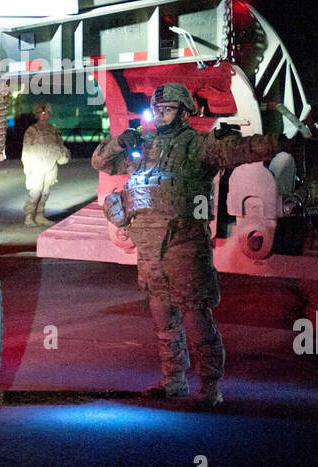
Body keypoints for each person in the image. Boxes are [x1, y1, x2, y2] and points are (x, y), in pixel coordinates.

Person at [92, 82, 281, 406]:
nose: (161, 114)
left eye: (168, 109)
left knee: (195, 314)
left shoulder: (198, 145)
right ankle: (173, 379)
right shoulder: (143, 146)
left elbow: (239, 150)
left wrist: (277, 143)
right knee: (161, 314)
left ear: (184, 112)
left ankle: (209, 386)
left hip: (184, 243)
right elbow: (101, 162)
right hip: (149, 247)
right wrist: (119, 142)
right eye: (158, 109)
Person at [21, 102, 71, 226]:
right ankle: (29, 216)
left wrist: (63, 155)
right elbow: (26, 148)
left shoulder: (53, 129)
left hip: (50, 163)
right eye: (41, 113)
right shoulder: (32, 130)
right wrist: (27, 166)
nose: (44, 116)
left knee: (45, 191)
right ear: (37, 115)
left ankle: (40, 215)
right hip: (37, 163)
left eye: (46, 113)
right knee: (36, 191)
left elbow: (60, 145)